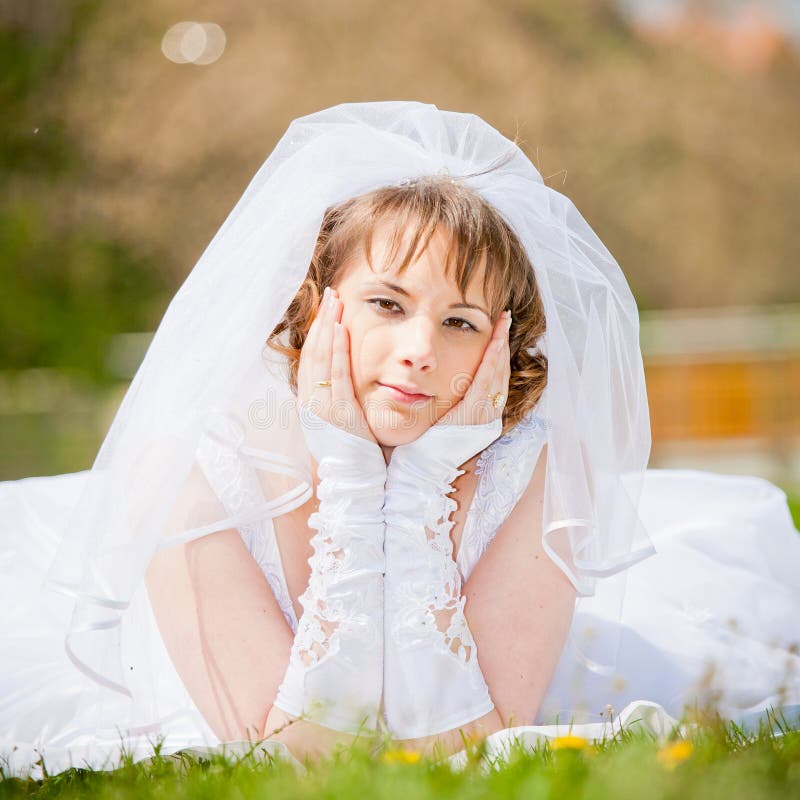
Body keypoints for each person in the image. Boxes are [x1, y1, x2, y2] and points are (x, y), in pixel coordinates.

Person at [1, 101, 799, 775]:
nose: (421, 347)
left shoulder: (538, 469)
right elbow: (295, 758)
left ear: (502, 348)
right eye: (387, 303)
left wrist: (416, 487)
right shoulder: (186, 476)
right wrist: (350, 475)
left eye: (460, 322)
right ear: (315, 306)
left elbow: (464, 747)